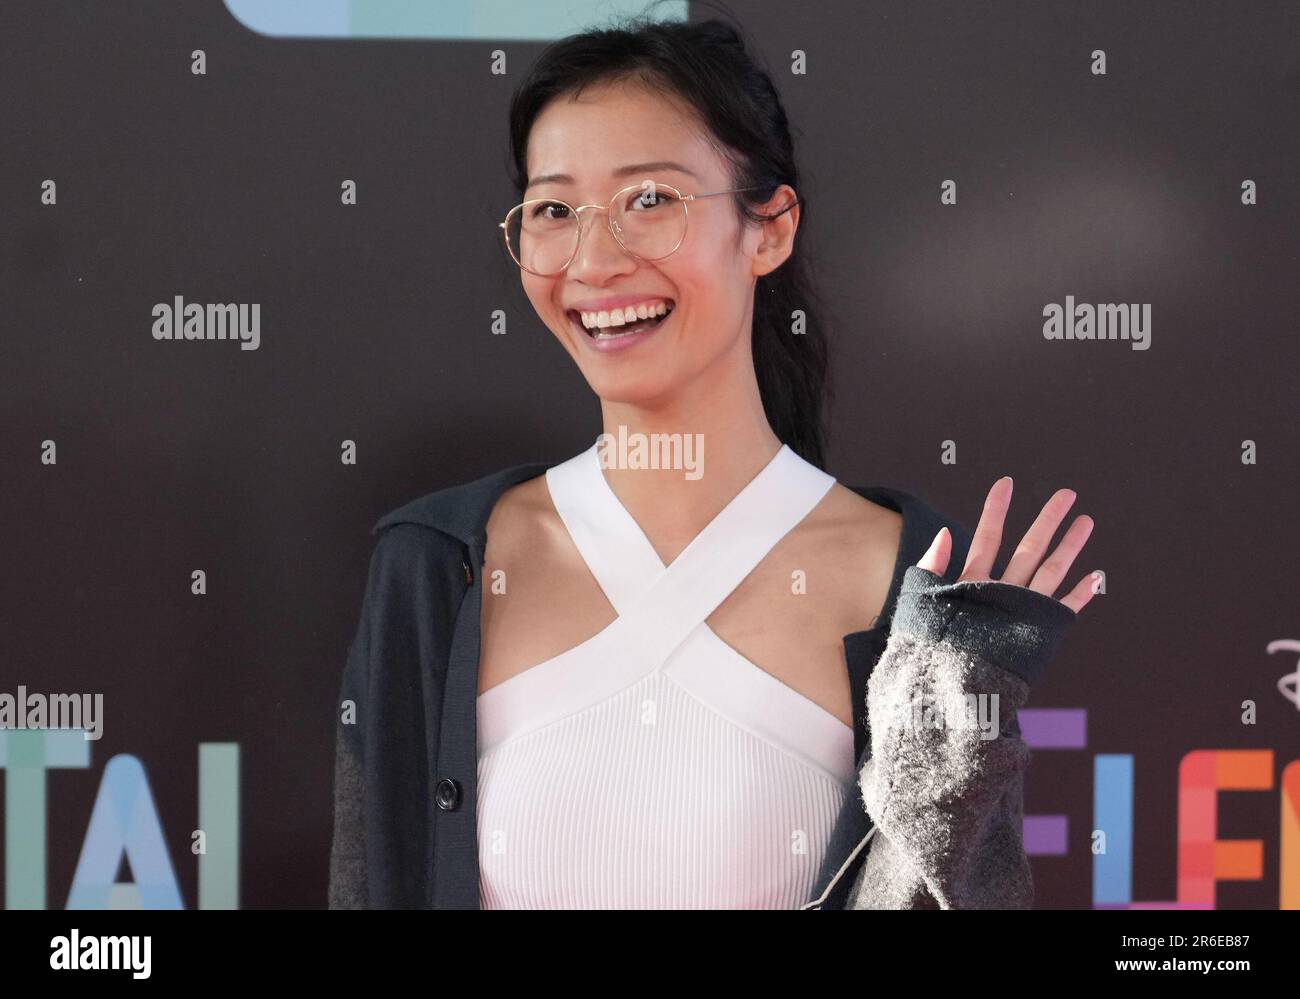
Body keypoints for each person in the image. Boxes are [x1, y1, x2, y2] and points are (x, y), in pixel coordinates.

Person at [328, 11, 1097, 910]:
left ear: (768, 228)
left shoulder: (909, 570)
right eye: (554, 210)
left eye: (649, 199)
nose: (595, 259)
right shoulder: (436, 565)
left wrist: (956, 756)